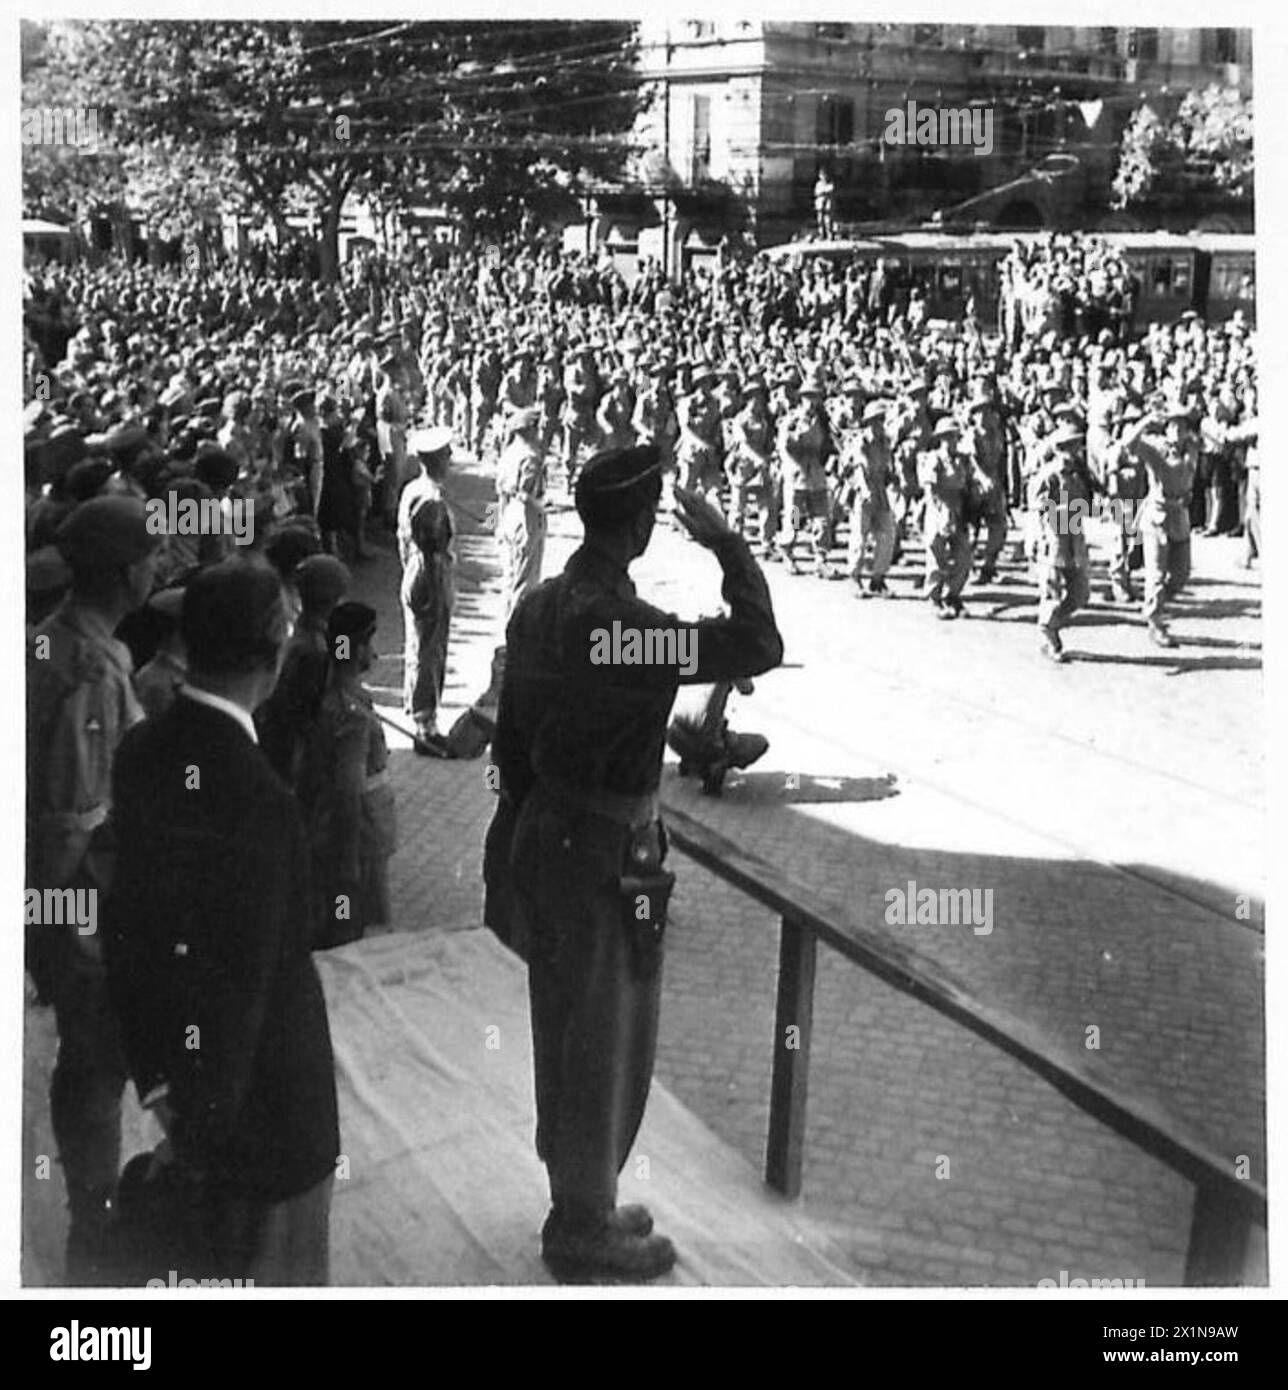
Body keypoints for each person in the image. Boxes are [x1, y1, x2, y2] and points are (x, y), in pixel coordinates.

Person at [484, 445, 784, 1282]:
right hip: (607, 853)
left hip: (547, 832)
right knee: (606, 1041)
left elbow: (510, 738)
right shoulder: (632, 635)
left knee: (565, 1028)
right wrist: (726, 543)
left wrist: (514, 841)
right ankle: (583, 1227)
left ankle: (584, 1194)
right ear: (646, 523)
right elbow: (758, 641)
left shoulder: (538, 607)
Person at [103, 558, 340, 1286]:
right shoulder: (262, 799)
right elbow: (245, 986)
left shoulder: (141, 750)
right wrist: (202, 1135)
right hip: (270, 1126)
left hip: (185, 1094)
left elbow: (126, 934)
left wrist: (163, 1090)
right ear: (271, 662)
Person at [26, 495, 162, 1283]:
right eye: (148, 556)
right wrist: (70, 926)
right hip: (77, 895)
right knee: (96, 1055)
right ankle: (95, 1227)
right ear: (122, 573)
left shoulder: (50, 645)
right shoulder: (90, 670)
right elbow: (71, 819)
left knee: (92, 1052)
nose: (156, 567)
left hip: (59, 894)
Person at [299, 601, 396, 949]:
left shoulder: (340, 699)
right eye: (369, 643)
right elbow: (348, 792)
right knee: (360, 931)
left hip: (351, 837)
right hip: (361, 842)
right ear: (354, 649)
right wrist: (348, 864)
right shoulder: (350, 713)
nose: (375, 653)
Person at [398, 426, 457, 756]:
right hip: (430, 575)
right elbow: (434, 548)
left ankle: (422, 716)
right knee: (429, 650)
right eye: (446, 455)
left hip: (414, 571)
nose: (450, 459)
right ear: (436, 460)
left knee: (418, 646)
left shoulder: (413, 489)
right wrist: (438, 591)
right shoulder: (432, 498)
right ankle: (426, 725)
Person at [1135, 403, 1198, 649]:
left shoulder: (1192, 448)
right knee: (1157, 575)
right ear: (1166, 428)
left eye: (1182, 426)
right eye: (1173, 425)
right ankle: (1155, 621)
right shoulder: (1156, 448)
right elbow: (1128, 444)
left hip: (1180, 515)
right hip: (1157, 517)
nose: (1178, 431)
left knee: (1181, 574)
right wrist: (1146, 421)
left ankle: (1155, 606)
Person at [1031, 423, 1094, 663]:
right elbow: (1036, 506)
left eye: (1076, 446)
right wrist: (1061, 509)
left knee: (1080, 593)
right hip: (1054, 536)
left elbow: (1087, 502)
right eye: (1070, 447)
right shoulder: (1048, 475)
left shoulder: (1079, 474)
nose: (1075, 451)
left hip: (1075, 536)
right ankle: (1049, 634)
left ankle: (1052, 622)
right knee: (1052, 590)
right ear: (1059, 449)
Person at [494, 406, 548, 621]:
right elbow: (529, 495)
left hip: (508, 516)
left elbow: (498, 492)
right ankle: (516, 631)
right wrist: (544, 507)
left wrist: (494, 524)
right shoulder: (532, 458)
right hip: (526, 518)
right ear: (532, 430)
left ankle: (507, 623)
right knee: (526, 580)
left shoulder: (508, 454)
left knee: (509, 576)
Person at [918, 417, 973, 618]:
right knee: (936, 555)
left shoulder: (962, 460)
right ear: (940, 438)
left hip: (957, 509)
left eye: (955, 436)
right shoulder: (934, 459)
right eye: (947, 437)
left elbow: (968, 486)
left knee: (963, 557)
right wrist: (941, 513)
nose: (952, 441)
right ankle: (934, 597)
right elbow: (929, 488)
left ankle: (953, 595)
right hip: (938, 509)